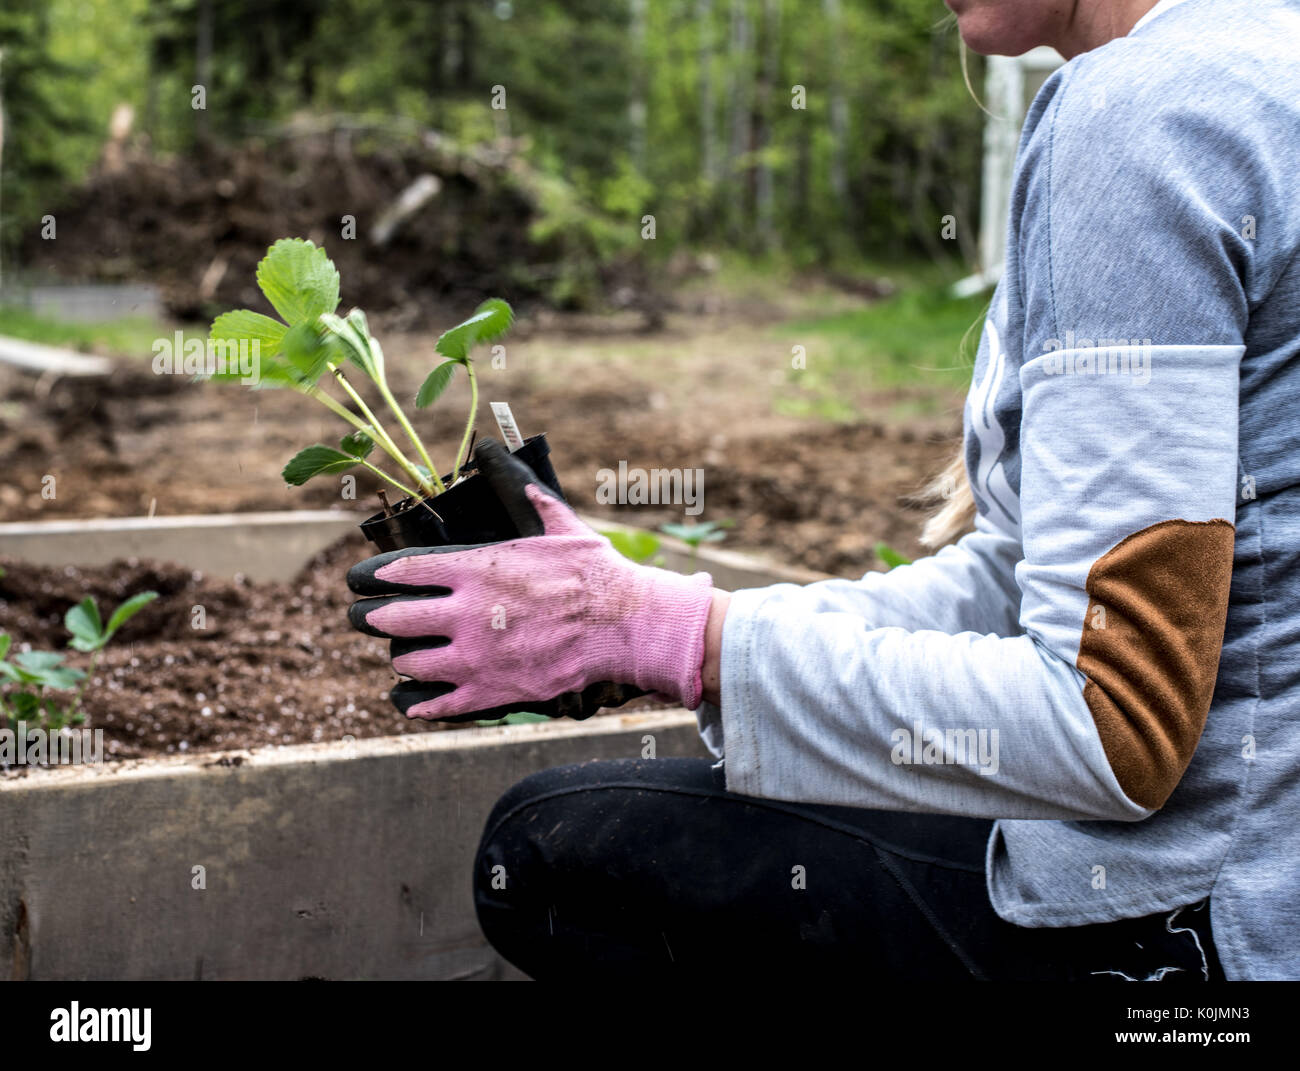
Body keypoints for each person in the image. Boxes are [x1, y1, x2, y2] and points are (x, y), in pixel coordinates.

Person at [347, 0, 1300, 980]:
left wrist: (680, 640)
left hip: (1203, 940)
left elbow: (1113, 727)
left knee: (547, 850)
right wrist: (665, 630)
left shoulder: (1144, 114)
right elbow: (1021, 584)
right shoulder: (1263, 62)